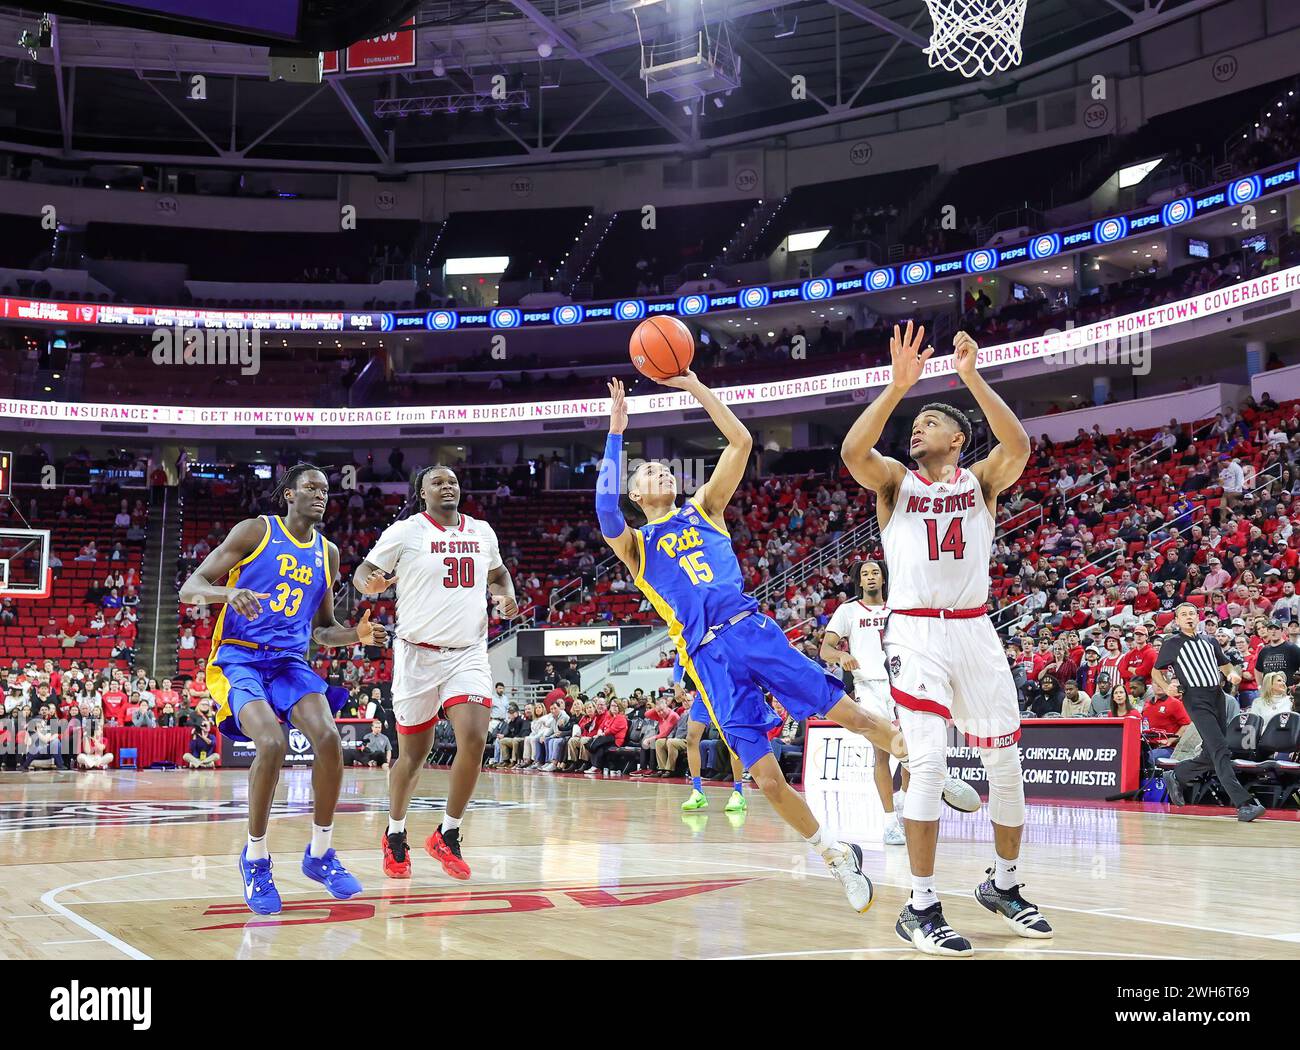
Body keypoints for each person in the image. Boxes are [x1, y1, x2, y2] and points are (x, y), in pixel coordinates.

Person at [598, 373, 904, 918]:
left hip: (750, 628)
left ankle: (933, 769)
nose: (660, 472)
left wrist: (693, 384)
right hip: (708, 659)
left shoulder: (705, 507)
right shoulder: (637, 546)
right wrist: (617, 434)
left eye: (664, 467)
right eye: (647, 472)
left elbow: (740, 442)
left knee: (849, 713)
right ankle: (835, 857)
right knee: (764, 777)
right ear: (635, 493)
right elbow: (603, 512)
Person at [841, 324, 1052, 956]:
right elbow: (854, 452)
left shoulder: (981, 481)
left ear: (957, 438)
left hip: (975, 630)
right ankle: (921, 905)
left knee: (1006, 766)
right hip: (915, 632)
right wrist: (896, 386)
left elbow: (1019, 443)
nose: (917, 429)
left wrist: (969, 377)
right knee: (929, 763)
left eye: (929, 421)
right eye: (916, 422)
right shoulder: (894, 484)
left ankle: (1004, 885)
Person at [179, 462, 387, 915]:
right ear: (288, 494)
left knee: (330, 738)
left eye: (326, 489)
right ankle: (255, 858)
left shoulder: (328, 552)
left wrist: (357, 636)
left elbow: (323, 630)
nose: (320, 494)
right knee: (270, 743)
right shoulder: (256, 531)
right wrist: (225, 595)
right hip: (239, 657)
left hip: (289, 661)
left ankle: (320, 854)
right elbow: (189, 588)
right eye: (310, 487)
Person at [354, 464, 518, 882]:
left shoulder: (482, 531)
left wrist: (505, 597)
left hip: (468, 653)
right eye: (436, 482)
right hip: (416, 655)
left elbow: (498, 574)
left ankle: (449, 831)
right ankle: (394, 834)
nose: (447, 486)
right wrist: (368, 585)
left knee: (476, 738)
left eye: (452, 481)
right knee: (413, 755)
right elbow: (362, 572)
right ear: (421, 493)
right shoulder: (407, 531)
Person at [821, 559, 978, 845]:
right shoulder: (848, 611)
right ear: (859, 580)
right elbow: (825, 648)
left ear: (883, 579)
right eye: (865, 574)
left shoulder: (898, 607)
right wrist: (841, 656)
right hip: (869, 686)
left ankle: (905, 802)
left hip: (902, 682)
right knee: (882, 752)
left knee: (911, 745)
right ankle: (890, 821)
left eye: (875, 573)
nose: (870, 578)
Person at [1156, 603, 1265, 821]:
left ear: (1198, 618)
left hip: (1218, 696)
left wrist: (1233, 674)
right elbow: (1156, 670)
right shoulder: (1172, 643)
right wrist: (1167, 686)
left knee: (1210, 752)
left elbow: (1225, 666)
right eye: (1183, 615)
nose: (1188, 617)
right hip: (1195, 698)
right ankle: (1244, 804)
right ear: (1176, 620)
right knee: (1221, 749)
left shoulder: (1210, 641)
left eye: (1192, 613)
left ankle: (1177, 775)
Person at [674, 657, 748, 813]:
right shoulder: (690, 634)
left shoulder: (719, 634)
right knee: (691, 738)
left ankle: (738, 793)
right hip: (704, 693)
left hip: (727, 691)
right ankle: (697, 791)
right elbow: (679, 656)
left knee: (731, 740)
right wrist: (676, 683)